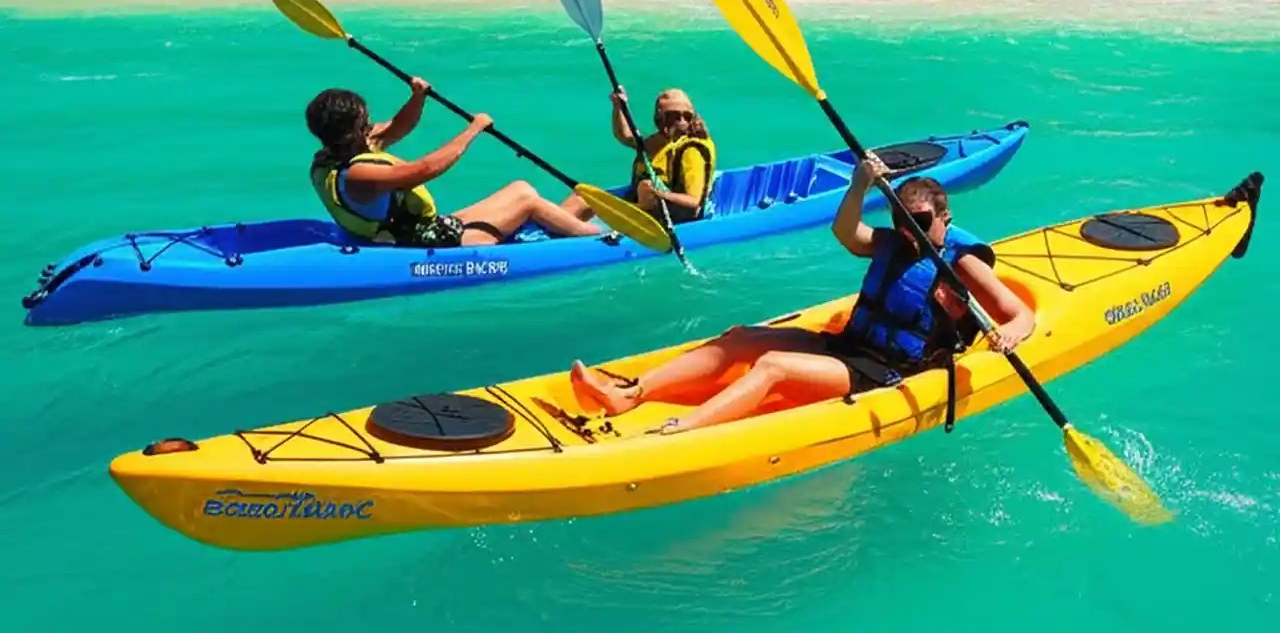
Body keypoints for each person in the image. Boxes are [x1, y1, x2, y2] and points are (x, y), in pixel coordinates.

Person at [568, 151, 1037, 434]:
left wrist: (1008, 336)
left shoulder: (961, 261)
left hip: (888, 369)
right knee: (740, 339)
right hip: (851, 347)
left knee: (773, 366)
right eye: (901, 219)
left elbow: (1019, 315)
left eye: (921, 222)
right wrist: (859, 185)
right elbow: (846, 232)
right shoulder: (893, 241)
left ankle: (683, 430)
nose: (908, 230)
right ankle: (630, 395)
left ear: (944, 218)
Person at [307, 77, 603, 247]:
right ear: (355, 129)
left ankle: (571, 219)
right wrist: (472, 131)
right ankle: (603, 240)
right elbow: (423, 170)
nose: (371, 124)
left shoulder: (330, 157)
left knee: (520, 188)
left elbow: (397, 127)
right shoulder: (358, 175)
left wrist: (417, 97)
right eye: (365, 121)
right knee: (527, 200)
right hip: (426, 246)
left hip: (424, 230)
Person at [561, 87, 717, 224]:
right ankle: (548, 228)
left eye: (687, 116)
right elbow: (625, 136)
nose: (682, 122)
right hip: (644, 206)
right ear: (660, 118)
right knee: (580, 195)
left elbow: (694, 203)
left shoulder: (691, 150)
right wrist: (618, 107)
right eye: (674, 116)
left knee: (589, 205)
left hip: (671, 216)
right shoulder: (659, 142)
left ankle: (569, 233)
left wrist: (655, 193)